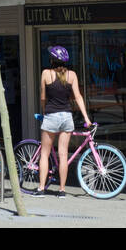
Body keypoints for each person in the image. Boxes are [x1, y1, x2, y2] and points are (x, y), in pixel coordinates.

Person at [30, 46, 91, 197]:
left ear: (51, 60)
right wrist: (86, 118)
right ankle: (62, 190)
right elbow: (78, 97)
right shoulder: (72, 75)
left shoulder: (46, 73)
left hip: (51, 116)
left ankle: (41, 188)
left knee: (44, 154)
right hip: (66, 117)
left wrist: (44, 112)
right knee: (63, 155)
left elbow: (43, 97)